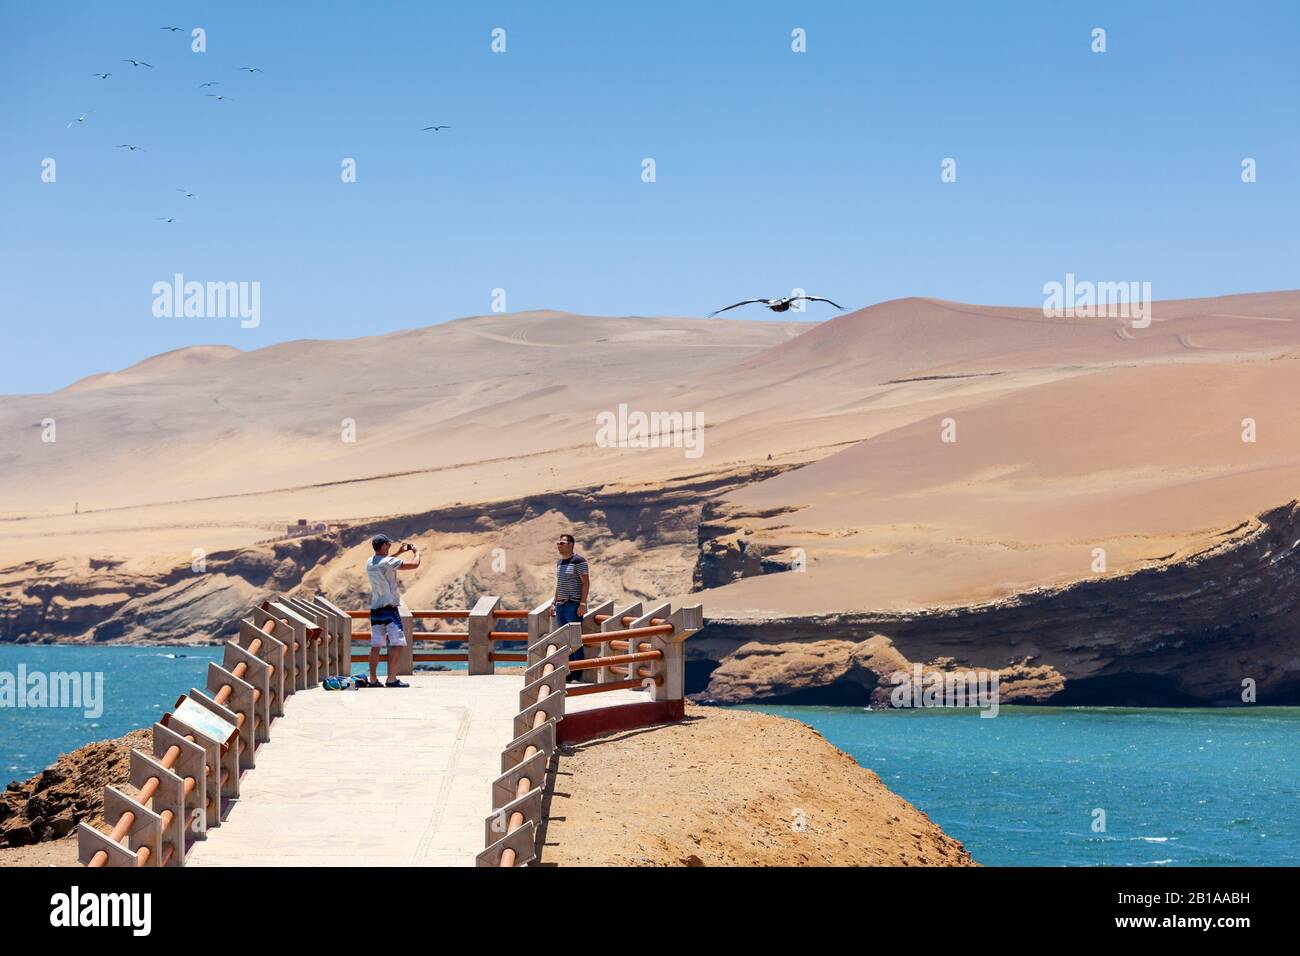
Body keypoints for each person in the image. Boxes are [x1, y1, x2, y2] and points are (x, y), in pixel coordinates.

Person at [365, 533, 420, 687]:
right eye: (388, 544)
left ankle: (373, 679)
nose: (389, 547)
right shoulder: (389, 562)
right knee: (397, 643)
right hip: (390, 609)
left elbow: (385, 562)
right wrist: (417, 552)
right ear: (383, 545)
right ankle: (391, 679)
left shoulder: (369, 562)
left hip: (375, 609)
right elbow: (414, 565)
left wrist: (399, 552)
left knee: (376, 645)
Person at [549, 534, 590, 680]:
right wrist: (554, 603)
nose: (559, 545)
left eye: (562, 543)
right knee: (565, 640)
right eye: (558, 543)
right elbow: (559, 584)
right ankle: (569, 669)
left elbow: (586, 583)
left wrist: (582, 604)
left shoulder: (579, 561)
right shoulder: (560, 563)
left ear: (571, 544)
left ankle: (578, 671)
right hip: (561, 605)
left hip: (574, 604)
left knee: (575, 639)